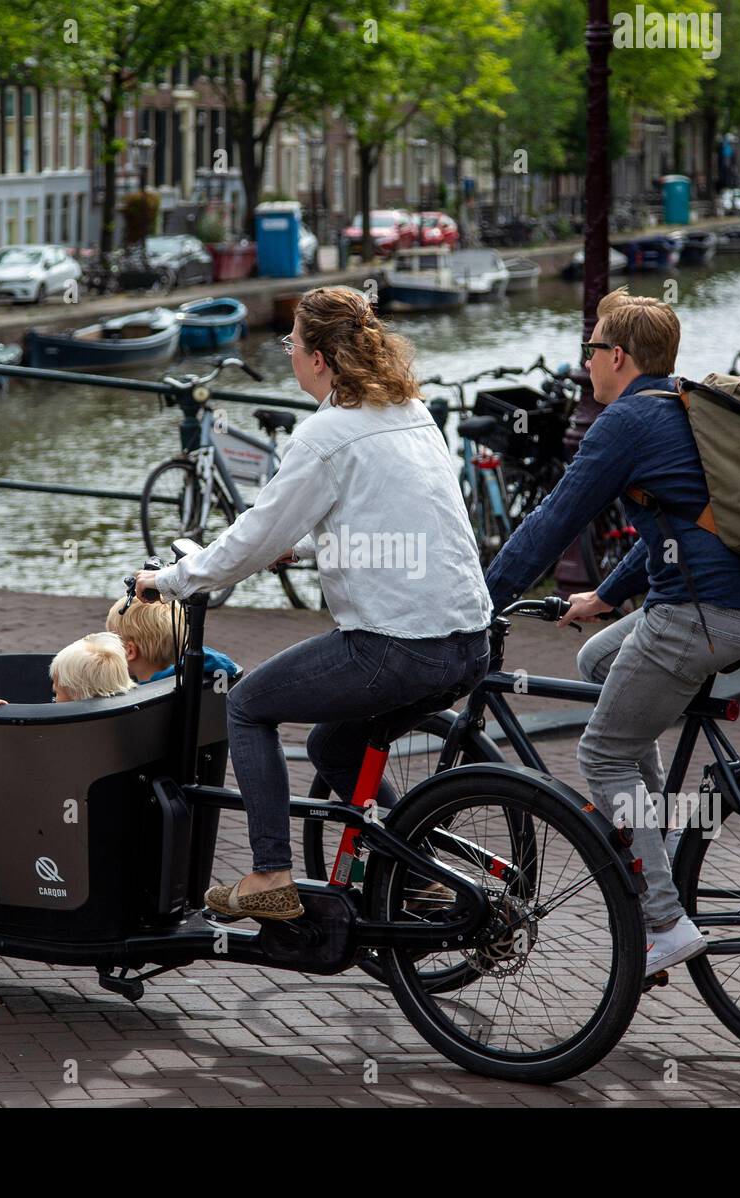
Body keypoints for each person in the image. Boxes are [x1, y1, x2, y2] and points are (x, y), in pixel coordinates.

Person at [137, 285, 491, 922]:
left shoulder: (323, 434)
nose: (290, 354)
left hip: (397, 647)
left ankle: (270, 874)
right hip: (467, 642)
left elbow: (249, 535)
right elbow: (388, 533)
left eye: (292, 344)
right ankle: (413, 873)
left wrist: (173, 580)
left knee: (245, 707)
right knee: (332, 747)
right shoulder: (412, 411)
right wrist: (298, 552)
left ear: (320, 358)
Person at [485, 286, 740, 976]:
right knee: (600, 660)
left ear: (617, 355)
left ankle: (661, 918)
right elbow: (679, 520)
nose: (586, 362)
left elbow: (554, 520)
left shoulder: (625, 421)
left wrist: (484, 597)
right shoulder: (684, 403)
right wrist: (604, 594)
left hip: (705, 616)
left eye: (591, 347)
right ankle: (644, 820)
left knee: (601, 757)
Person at [105, 593, 241, 684]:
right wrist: (187, 656)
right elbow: (226, 665)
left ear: (130, 651)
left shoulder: (134, 700)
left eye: (110, 642)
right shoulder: (189, 677)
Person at [0, 632, 136, 706]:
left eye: (57, 693)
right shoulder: (127, 706)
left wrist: (9, 717)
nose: (53, 695)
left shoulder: (65, 725)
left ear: (78, 695)